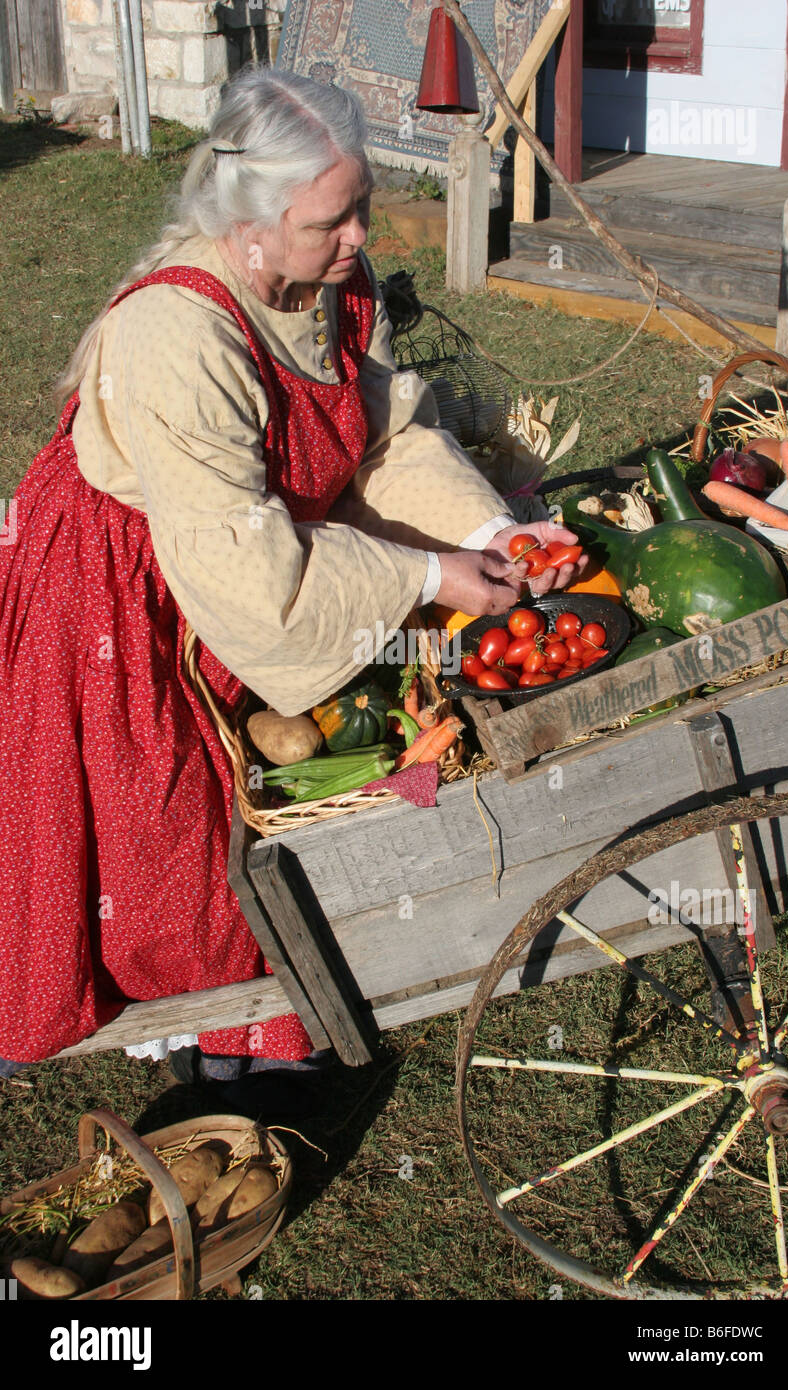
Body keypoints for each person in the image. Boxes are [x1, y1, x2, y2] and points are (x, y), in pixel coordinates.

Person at [0, 67, 584, 1093]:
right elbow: (246, 570)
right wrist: (425, 573)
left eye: (360, 206)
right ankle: (196, 1059)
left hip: (236, 567)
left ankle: (246, 1064)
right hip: (123, 593)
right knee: (163, 846)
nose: (362, 235)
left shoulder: (334, 290)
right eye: (333, 218)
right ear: (251, 224)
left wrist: (490, 527)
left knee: (238, 827)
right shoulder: (176, 334)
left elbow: (385, 439)